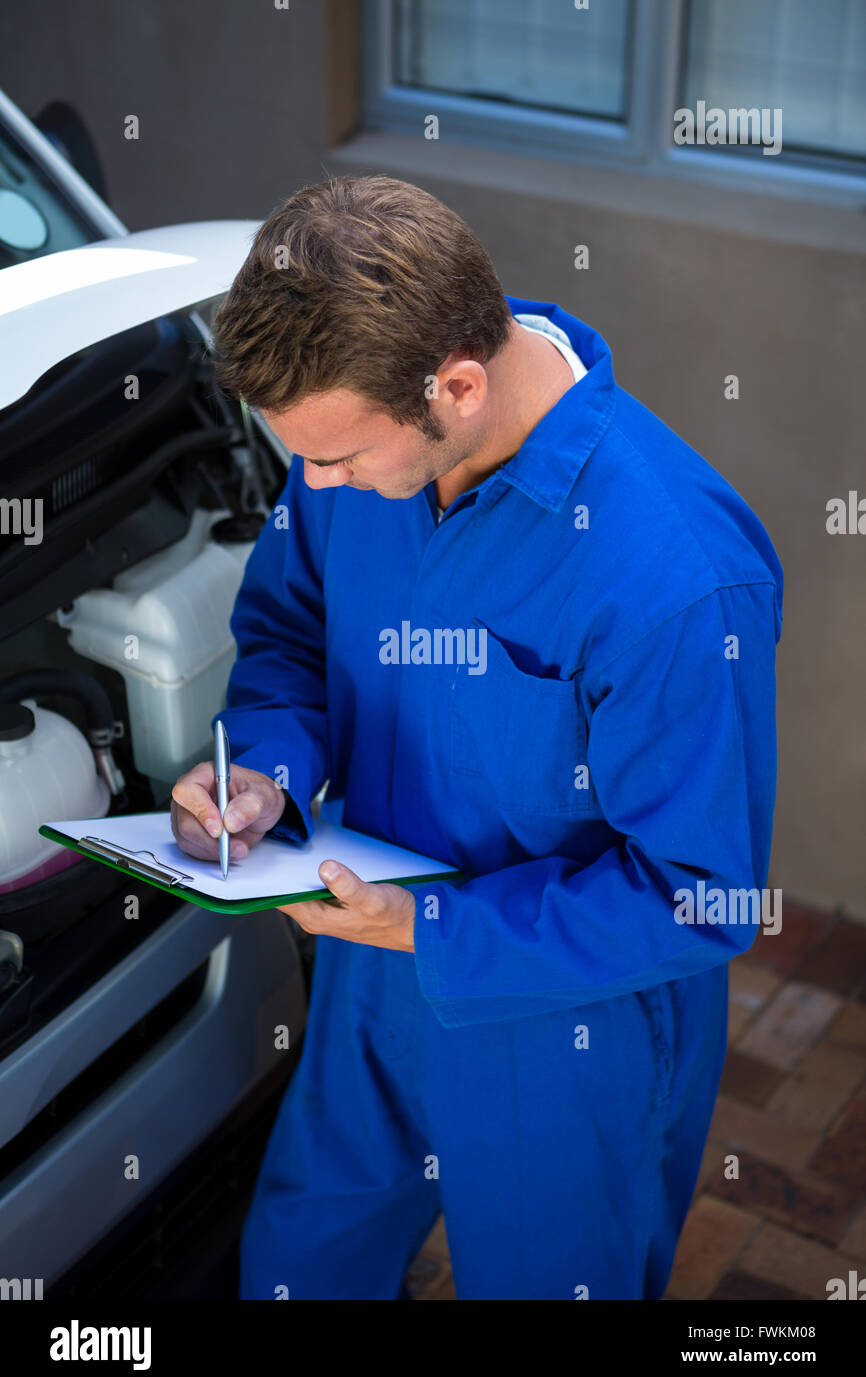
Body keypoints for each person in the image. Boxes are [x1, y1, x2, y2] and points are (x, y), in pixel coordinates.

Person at [170, 174, 783, 1301]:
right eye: (297, 455)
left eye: (337, 458)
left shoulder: (676, 579)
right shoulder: (355, 437)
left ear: (454, 387)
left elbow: (698, 894)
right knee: (296, 1273)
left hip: (567, 1034)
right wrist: (266, 768)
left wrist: (429, 924)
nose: (310, 486)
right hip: (370, 978)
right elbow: (287, 630)